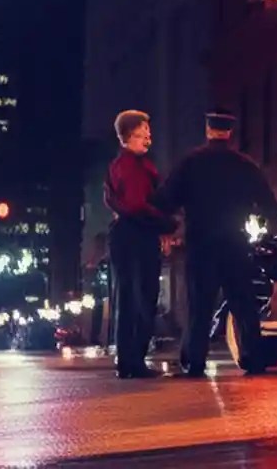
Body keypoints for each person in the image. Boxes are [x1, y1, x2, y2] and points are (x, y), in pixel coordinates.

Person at [153, 108, 277, 377]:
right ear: (229, 133)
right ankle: (252, 357)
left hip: (201, 243)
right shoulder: (245, 165)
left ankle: (194, 360)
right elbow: (269, 204)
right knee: (243, 302)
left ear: (208, 130)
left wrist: (170, 223)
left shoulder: (191, 163)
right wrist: (265, 233)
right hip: (235, 242)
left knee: (199, 304)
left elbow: (165, 200)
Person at [105, 110, 171, 379]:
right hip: (136, 237)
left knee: (130, 298)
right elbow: (137, 205)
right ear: (129, 136)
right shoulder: (132, 167)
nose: (148, 139)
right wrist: (166, 223)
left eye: (149, 134)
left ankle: (129, 361)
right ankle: (134, 362)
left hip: (128, 235)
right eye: (144, 133)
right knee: (141, 298)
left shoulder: (122, 165)